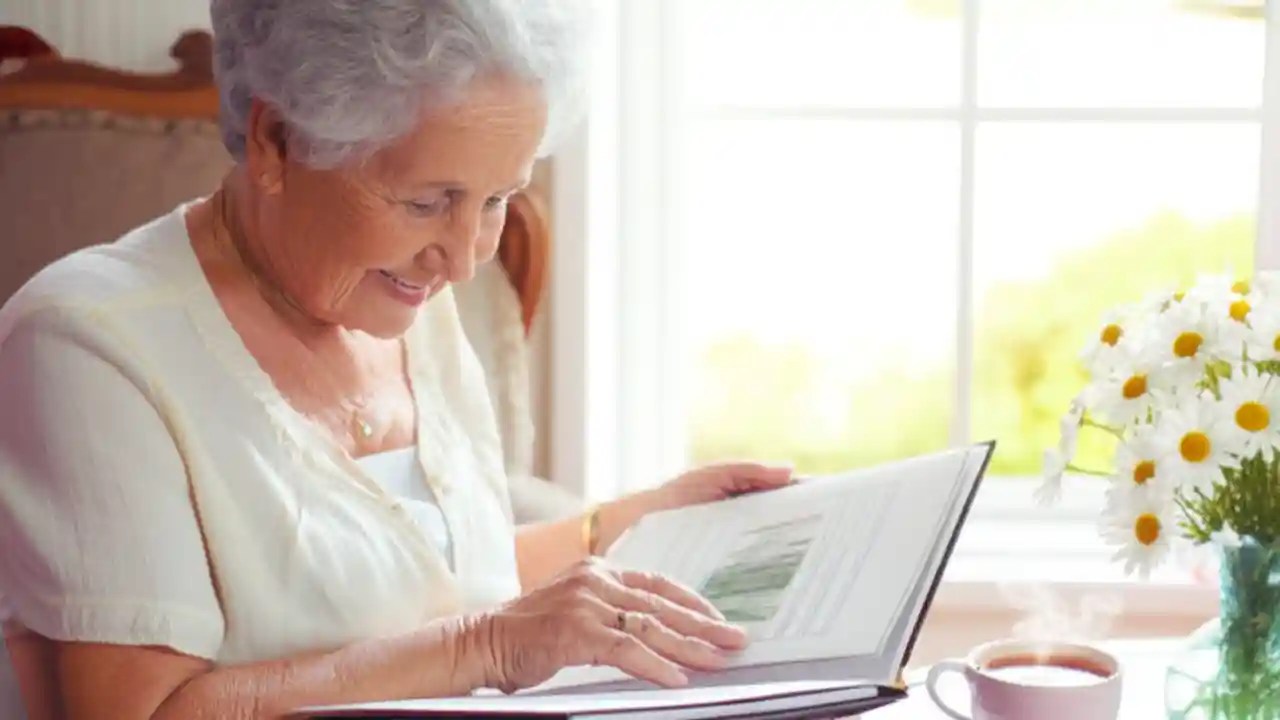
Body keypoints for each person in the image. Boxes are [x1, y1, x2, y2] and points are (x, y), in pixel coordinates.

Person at [0, 2, 793, 718]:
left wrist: (626, 522)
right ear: (278, 141)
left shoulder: (408, 299)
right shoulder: (90, 344)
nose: (463, 259)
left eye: (497, 200)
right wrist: (483, 650)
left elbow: (412, 585)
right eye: (426, 202)